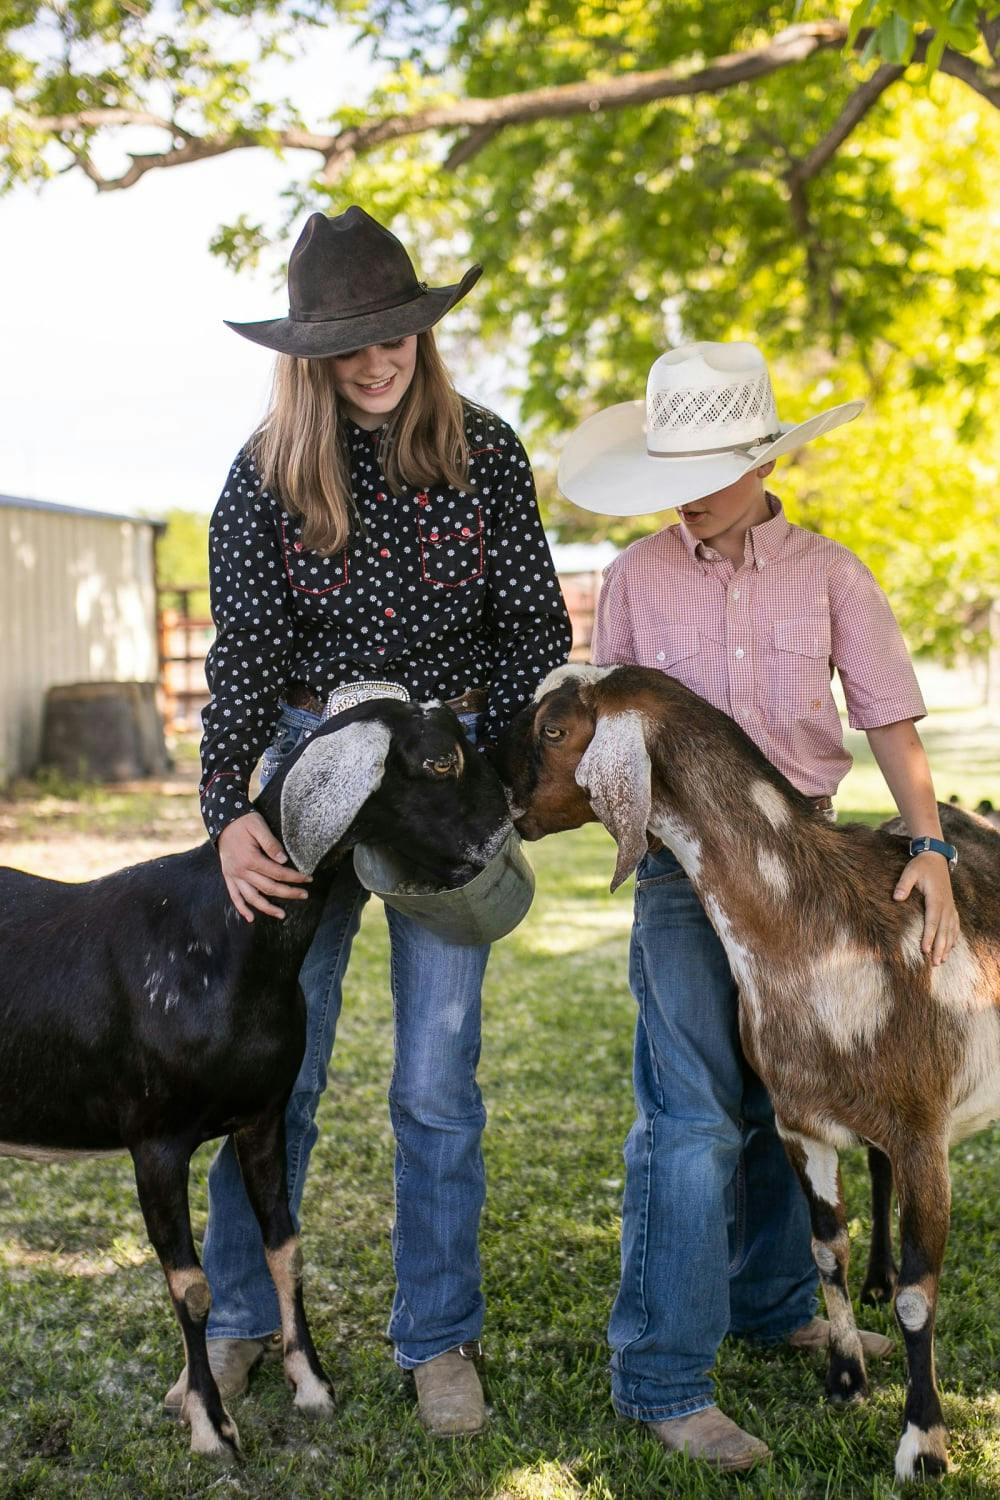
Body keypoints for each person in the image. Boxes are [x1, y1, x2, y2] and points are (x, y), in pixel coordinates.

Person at [175, 205, 572, 1434]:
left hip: (442, 777)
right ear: (309, 354)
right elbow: (245, 656)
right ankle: (242, 1319)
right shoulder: (265, 474)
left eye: (391, 333)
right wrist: (226, 813)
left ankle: (438, 1336)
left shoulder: (484, 450)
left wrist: (488, 774)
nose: (374, 359)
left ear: (420, 332)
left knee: (437, 1079)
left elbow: (533, 627)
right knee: (273, 1072)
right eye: (346, 342)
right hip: (307, 774)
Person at [557, 340, 960, 1472]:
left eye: (711, 467)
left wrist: (929, 843)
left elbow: (888, 717)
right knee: (689, 1117)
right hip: (682, 880)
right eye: (673, 469)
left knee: (798, 1096)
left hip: (815, 867)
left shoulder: (831, 574)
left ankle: (780, 1302)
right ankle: (663, 1377)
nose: (687, 489)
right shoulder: (635, 579)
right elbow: (612, 738)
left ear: (765, 460)